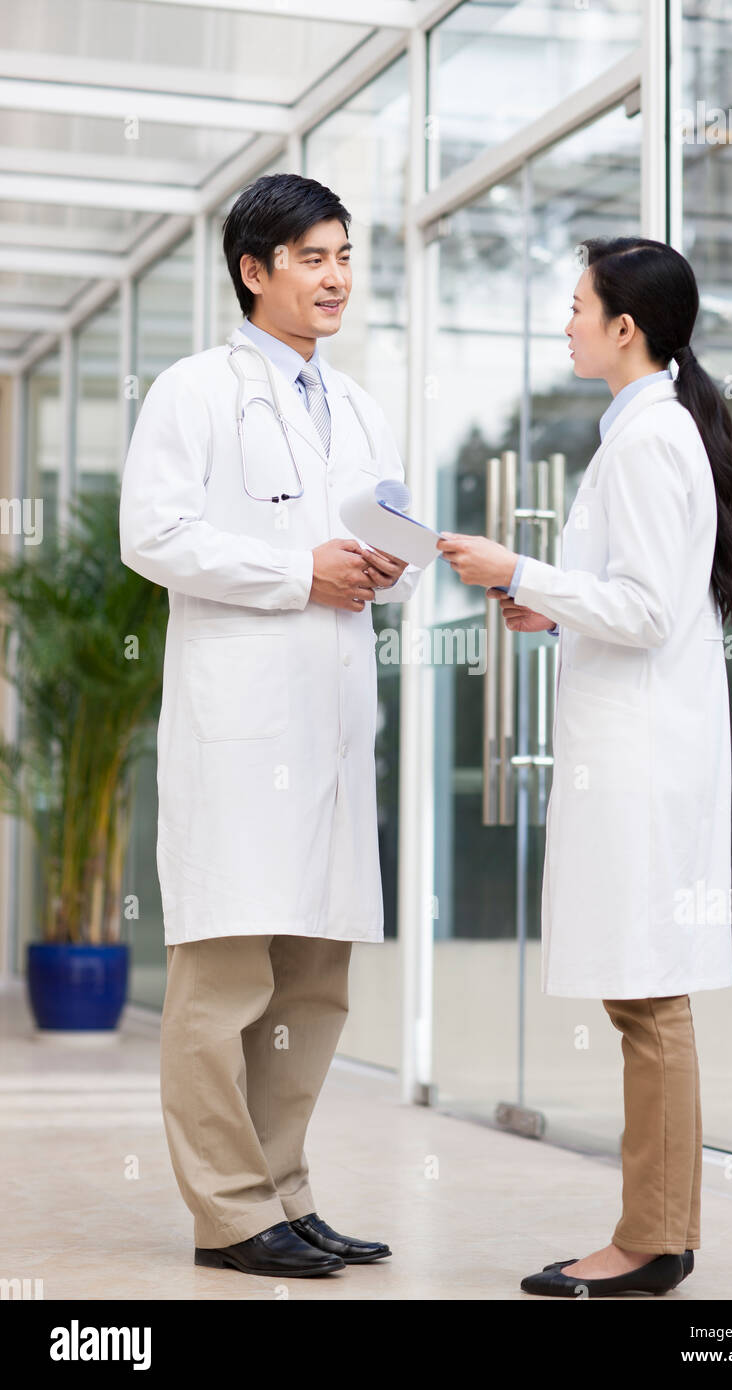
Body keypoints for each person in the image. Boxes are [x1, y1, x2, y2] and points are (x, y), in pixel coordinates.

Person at [119, 172, 422, 1279]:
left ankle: (287, 1193)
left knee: (312, 983)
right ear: (254, 271)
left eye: (343, 254)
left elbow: (365, 537)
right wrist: (297, 571)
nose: (335, 276)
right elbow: (152, 534)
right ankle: (229, 1210)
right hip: (240, 729)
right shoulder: (194, 390)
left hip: (333, 720)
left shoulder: (358, 403)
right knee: (223, 984)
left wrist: (381, 565)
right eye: (312, 257)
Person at [437, 236, 732, 1299]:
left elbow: (653, 609)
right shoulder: (648, 431)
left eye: (575, 306)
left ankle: (649, 1240)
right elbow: (637, 598)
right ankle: (659, 1228)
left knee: (646, 1000)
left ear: (626, 327)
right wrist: (550, 602)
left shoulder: (651, 440)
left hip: (643, 765)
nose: (562, 322)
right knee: (645, 996)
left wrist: (520, 567)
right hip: (639, 750)